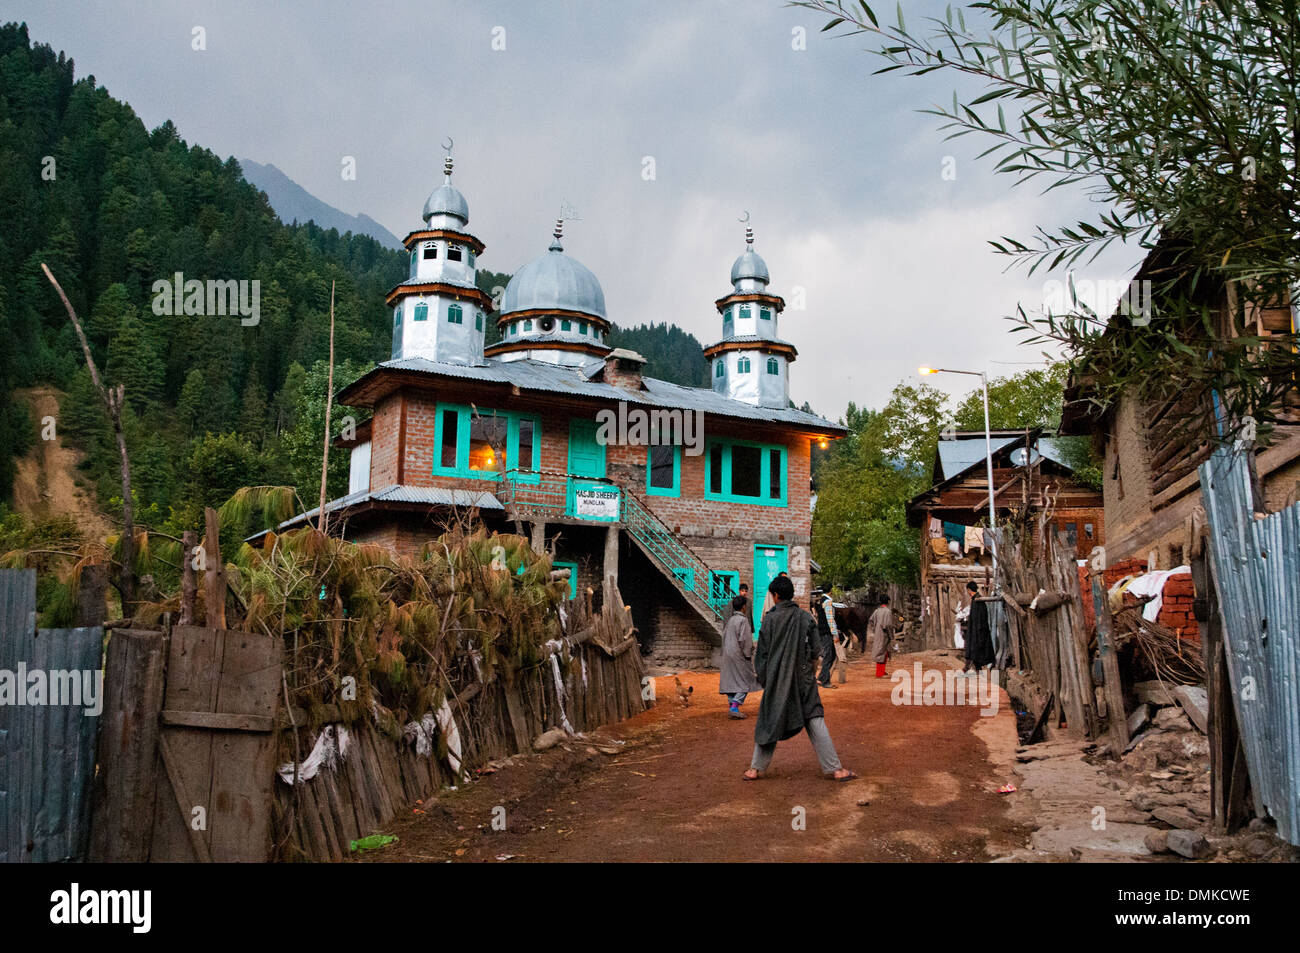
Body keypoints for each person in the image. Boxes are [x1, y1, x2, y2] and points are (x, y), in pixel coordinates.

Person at [742, 575, 856, 782]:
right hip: (804, 680)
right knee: (815, 719)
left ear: (775, 596)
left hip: (777, 680)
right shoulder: (805, 618)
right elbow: (815, 652)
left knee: (769, 720)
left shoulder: (769, 620)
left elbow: (762, 656)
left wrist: (768, 680)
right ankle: (835, 769)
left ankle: (755, 769)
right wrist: (809, 676)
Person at [719, 595, 761, 718]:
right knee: (747, 680)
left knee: (731, 680)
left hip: (727, 653)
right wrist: (749, 654)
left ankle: (732, 703)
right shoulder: (743, 621)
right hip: (739, 655)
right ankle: (734, 706)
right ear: (743, 607)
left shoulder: (730, 620)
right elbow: (745, 641)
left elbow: (724, 636)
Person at [812, 588, 841, 689]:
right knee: (829, 656)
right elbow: (830, 619)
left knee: (830, 655)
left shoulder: (820, 601)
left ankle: (822, 677)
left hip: (822, 631)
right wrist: (835, 634)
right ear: (831, 591)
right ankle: (825, 681)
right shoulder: (828, 602)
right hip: (827, 632)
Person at [866, 594, 896, 678]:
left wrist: (875, 629)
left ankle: (882, 671)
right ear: (888, 601)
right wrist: (891, 636)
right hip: (884, 634)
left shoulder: (876, 611)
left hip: (878, 633)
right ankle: (879, 673)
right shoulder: (888, 611)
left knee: (882, 651)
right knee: (882, 653)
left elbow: (871, 620)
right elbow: (889, 625)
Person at [956, 581, 979, 675]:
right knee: (971, 648)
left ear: (969, 590)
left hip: (976, 629)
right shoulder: (974, 599)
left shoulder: (977, 600)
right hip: (974, 628)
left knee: (972, 648)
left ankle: (973, 668)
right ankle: (972, 668)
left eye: (968, 590)